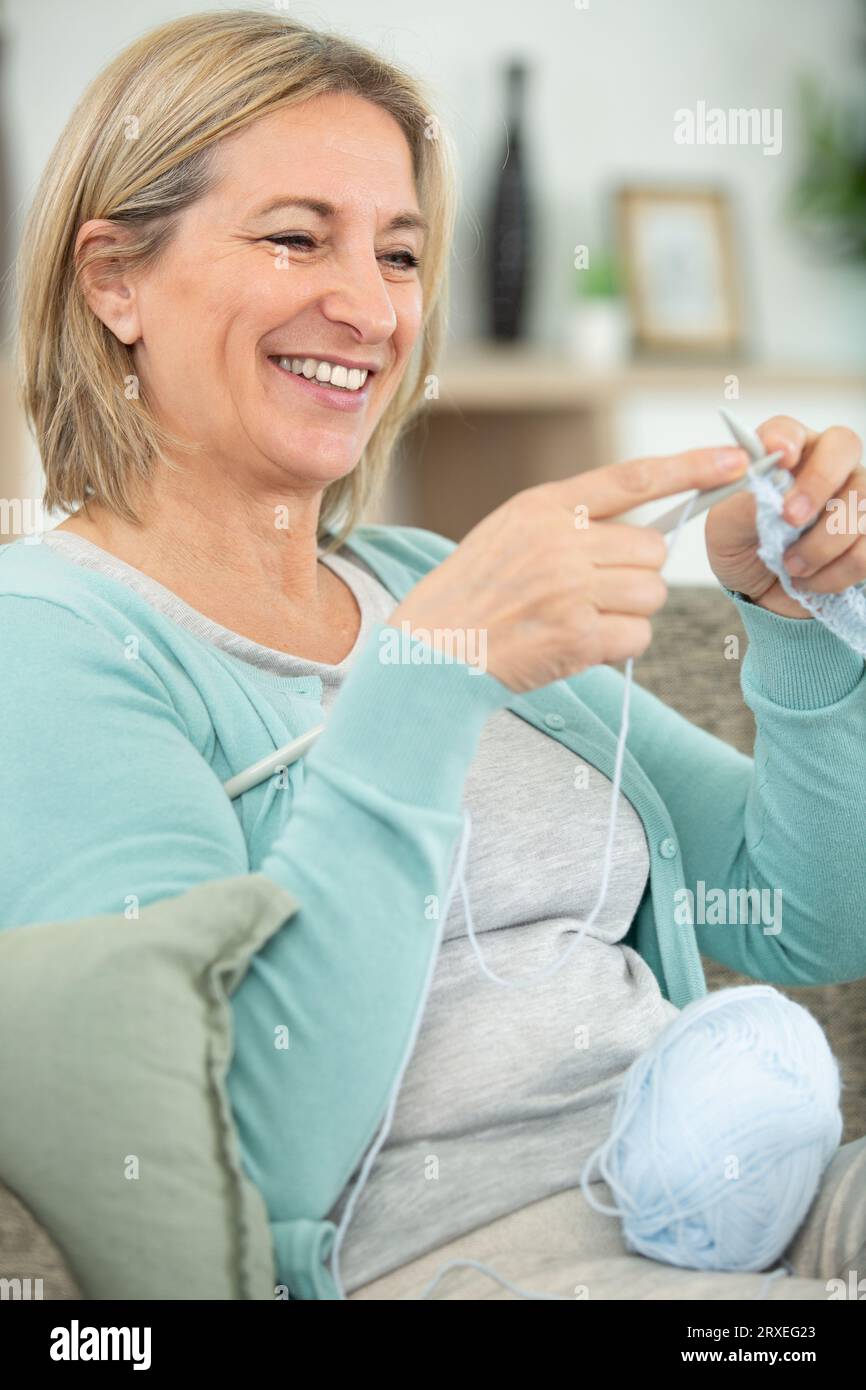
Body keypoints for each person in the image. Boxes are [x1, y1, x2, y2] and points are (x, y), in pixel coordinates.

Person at [3, 9, 865, 1301]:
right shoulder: (52, 643)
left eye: (398, 253)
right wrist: (419, 680)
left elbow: (801, 914)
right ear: (112, 278)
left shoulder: (413, 573)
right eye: (295, 236)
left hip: (740, 1193)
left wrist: (792, 623)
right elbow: (246, 1164)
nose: (365, 307)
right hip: (473, 1263)